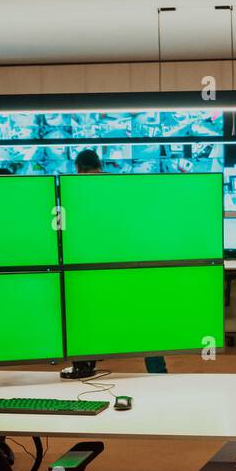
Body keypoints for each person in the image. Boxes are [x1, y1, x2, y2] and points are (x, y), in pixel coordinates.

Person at [74, 148, 167, 375]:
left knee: (87, 319)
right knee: (145, 324)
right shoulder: (122, 185)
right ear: (100, 165)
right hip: (132, 265)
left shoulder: (76, 191)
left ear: (78, 169)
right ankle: (158, 372)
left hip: (94, 268)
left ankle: (85, 369)